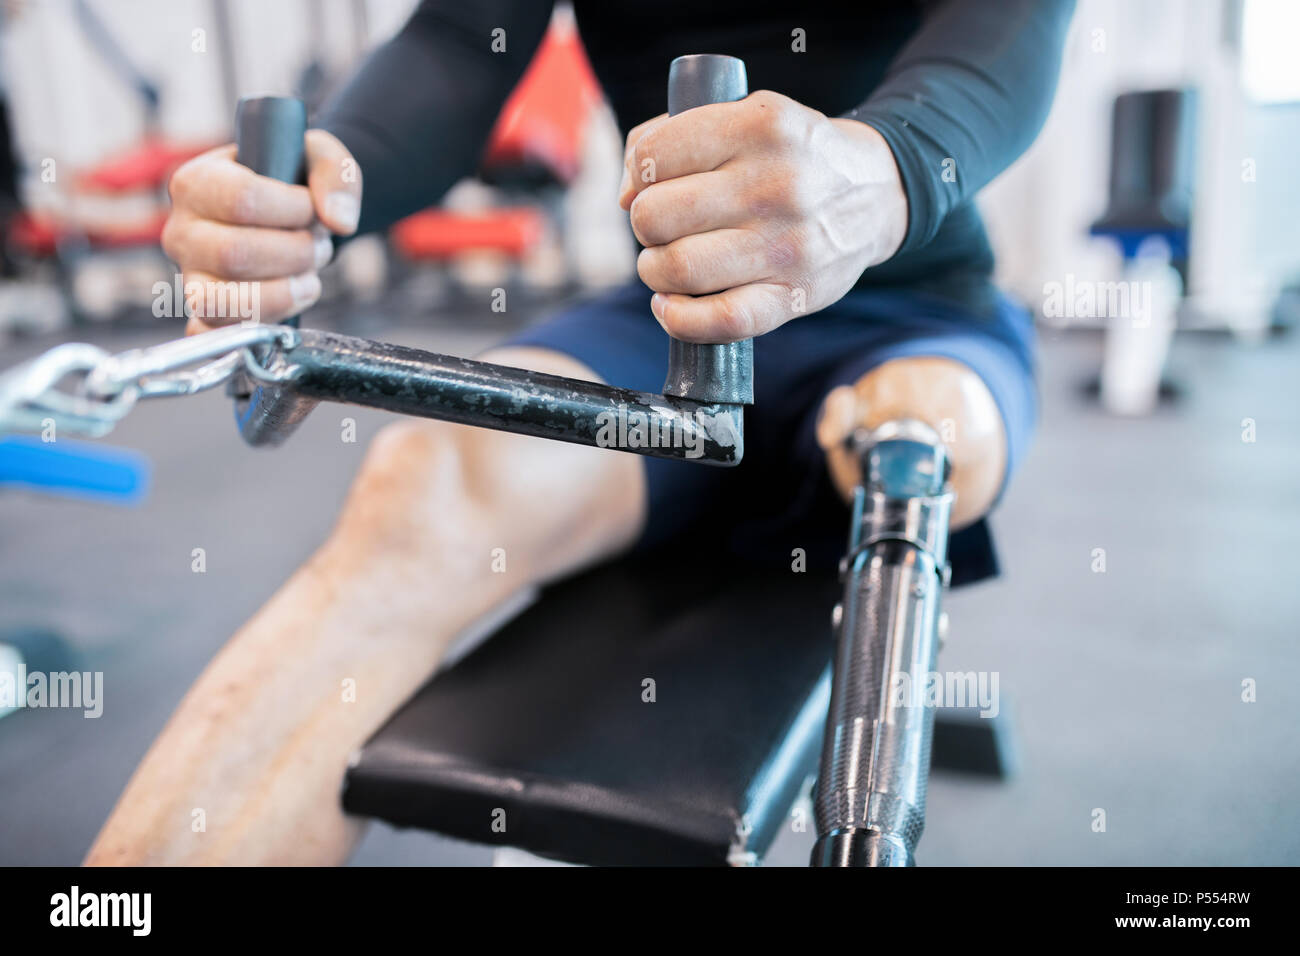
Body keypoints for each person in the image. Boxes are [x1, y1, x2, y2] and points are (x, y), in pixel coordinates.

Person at [86, 0, 1074, 865]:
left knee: (915, 443)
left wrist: (883, 167)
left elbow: (1013, 20)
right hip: (671, 320)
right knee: (419, 489)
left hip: (908, 304)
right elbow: (462, 41)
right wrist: (319, 181)